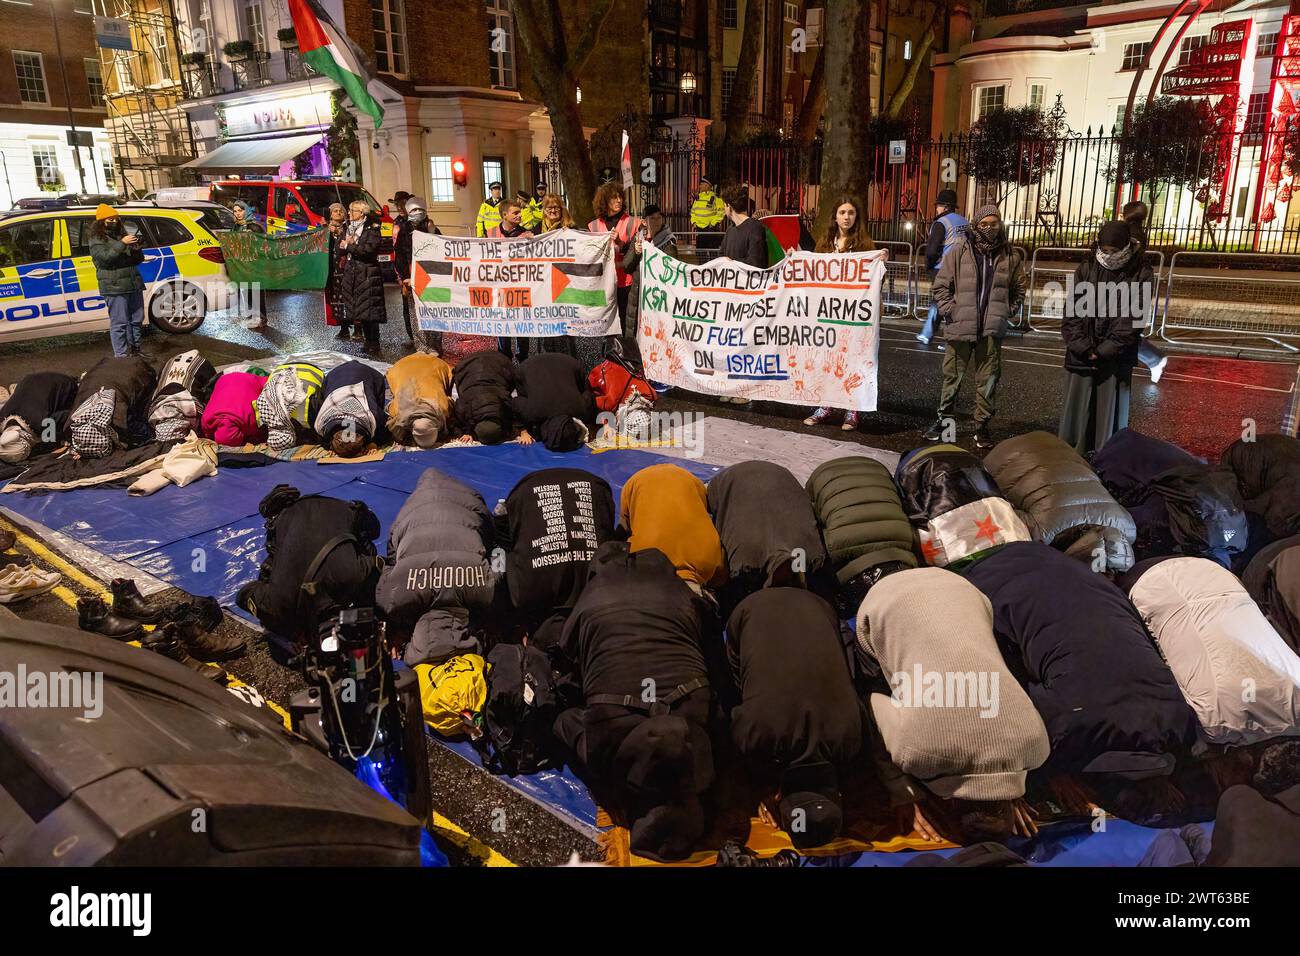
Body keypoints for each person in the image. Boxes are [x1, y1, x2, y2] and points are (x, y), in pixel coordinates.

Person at [961, 543, 1200, 809]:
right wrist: (1048, 776)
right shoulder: (1065, 720)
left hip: (1067, 570)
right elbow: (1009, 706)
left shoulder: (1178, 719)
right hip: (988, 575)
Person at [856, 567, 1050, 844]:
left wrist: (1006, 793)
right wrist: (901, 790)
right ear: (952, 805)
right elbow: (873, 702)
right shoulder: (919, 755)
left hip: (964, 591)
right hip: (884, 600)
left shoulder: (1037, 747)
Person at [552, 540, 717, 862]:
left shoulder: (591, 596)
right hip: (677, 698)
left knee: (563, 718)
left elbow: (567, 658)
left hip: (673, 702)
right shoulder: (680, 590)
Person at [726, 588, 864, 849]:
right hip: (749, 610)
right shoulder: (755, 742)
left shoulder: (851, 741)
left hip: (817, 604)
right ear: (778, 796)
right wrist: (760, 787)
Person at [923, 204, 1027, 450]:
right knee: (952, 379)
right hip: (961, 326)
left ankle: (981, 427)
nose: (989, 228)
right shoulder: (960, 250)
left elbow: (1019, 289)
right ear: (975, 225)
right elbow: (941, 286)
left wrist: (1006, 311)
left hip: (990, 330)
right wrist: (951, 311)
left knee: (988, 380)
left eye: (994, 223)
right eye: (984, 224)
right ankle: (944, 422)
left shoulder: (1010, 255)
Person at [375, 468, 498, 666]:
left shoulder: (485, 590)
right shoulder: (394, 599)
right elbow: (390, 564)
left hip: (456, 502)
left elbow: (499, 555)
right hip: (462, 498)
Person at [1058, 221, 1152, 456]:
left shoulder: (1141, 272)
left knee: (1108, 418)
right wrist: (1083, 347)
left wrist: (1105, 350)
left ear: (1125, 246)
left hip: (1115, 358)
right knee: (1077, 416)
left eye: (1114, 251)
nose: (1108, 256)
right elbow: (1072, 312)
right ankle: (1074, 458)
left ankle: (1107, 460)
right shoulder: (1087, 268)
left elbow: (1133, 319)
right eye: (1105, 249)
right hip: (1082, 354)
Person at [805, 196, 876, 430]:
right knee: (826, 360)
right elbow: (812, 274)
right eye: (842, 212)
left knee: (853, 360)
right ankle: (825, 406)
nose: (847, 217)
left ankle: (851, 411)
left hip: (853, 315)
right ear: (835, 216)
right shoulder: (824, 244)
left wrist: (879, 263)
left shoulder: (865, 246)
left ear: (857, 217)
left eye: (851, 213)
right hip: (828, 313)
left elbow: (874, 279)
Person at [620, 462, 727, 592]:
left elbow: (624, 526)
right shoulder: (710, 550)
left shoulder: (638, 555)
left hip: (646, 580)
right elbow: (721, 578)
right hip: (691, 588)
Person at [621, 203, 677, 361]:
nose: (657, 221)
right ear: (644, 222)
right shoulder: (638, 239)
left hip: (656, 301)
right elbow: (626, 266)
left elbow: (671, 271)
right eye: (652, 218)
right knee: (636, 338)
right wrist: (636, 254)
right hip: (637, 298)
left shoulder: (668, 242)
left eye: (659, 217)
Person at [511, 351, 598, 451]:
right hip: (530, 368)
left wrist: (523, 431)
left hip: (566, 363)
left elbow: (588, 395)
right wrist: (523, 431)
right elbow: (515, 403)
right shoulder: (534, 412)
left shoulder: (579, 409)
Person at [89, 205, 146, 356]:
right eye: (110, 219)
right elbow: (104, 259)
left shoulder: (122, 235)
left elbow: (138, 260)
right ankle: (121, 356)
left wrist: (137, 249)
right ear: (101, 222)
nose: (114, 221)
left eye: (116, 218)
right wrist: (123, 244)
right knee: (119, 323)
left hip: (133, 283)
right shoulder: (96, 240)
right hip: (114, 286)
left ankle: (135, 350)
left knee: (137, 319)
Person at [1123, 200, 1168, 383]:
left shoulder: (1129, 233)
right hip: (1132, 285)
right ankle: (1154, 359)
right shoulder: (1138, 232)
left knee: (1123, 331)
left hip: (1128, 286)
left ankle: (1154, 359)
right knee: (1124, 329)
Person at [587, 182, 641, 326]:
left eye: (620, 197)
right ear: (604, 201)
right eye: (613, 197)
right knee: (605, 320)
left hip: (625, 281)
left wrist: (620, 241)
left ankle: (624, 347)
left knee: (624, 319)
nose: (618, 200)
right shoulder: (593, 226)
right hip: (603, 281)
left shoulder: (632, 223)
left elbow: (636, 251)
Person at [918, 188, 967, 346]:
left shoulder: (941, 223)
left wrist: (929, 268)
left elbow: (931, 250)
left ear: (945, 206)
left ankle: (947, 339)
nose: (936, 208)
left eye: (938, 205)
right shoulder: (964, 222)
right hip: (965, 269)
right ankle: (929, 333)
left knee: (943, 303)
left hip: (944, 269)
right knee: (948, 303)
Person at [336, 200, 387, 350]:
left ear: (362, 213)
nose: (349, 214)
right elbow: (340, 249)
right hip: (352, 272)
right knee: (360, 308)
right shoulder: (347, 227)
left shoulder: (372, 228)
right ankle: (366, 340)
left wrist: (350, 246)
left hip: (367, 273)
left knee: (370, 308)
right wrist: (343, 241)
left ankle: (374, 341)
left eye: (352, 211)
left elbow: (368, 250)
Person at [312, 360, 389, 458]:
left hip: (368, 374)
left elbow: (385, 429)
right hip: (334, 376)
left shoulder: (373, 414)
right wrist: (331, 447)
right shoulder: (321, 425)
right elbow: (323, 439)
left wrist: (374, 442)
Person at [0, 372, 79, 465]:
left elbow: (69, 415)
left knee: (51, 439)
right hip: (29, 379)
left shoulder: (44, 424)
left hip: (64, 382)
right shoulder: (2, 418)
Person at [396, 196, 441, 350]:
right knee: (415, 313)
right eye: (414, 210)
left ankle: (435, 346)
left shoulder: (431, 226)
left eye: (420, 209)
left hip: (430, 277)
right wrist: (404, 277)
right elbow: (399, 255)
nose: (417, 212)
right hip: (412, 277)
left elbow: (442, 249)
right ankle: (421, 345)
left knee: (433, 311)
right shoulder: (404, 231)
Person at [385, 352, 452, 448]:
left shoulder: (443, 408)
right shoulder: (398, 410)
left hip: (430, 364)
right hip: (404, 366)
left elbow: (450, 401)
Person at [450, 349, 517, 444]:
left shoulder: (505, 405)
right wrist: (466, 432)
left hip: (497, 363)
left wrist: (467, 432)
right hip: (468, 366)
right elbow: (455, 421)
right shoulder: (465, 408)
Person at [230, 199, 270, 330]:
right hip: (242, 265)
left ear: (245, 210)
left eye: (240, 211)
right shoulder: (236, 226)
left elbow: (264, 244)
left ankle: (261, 318)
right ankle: (252, 316)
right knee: (246, 291)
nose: (238, 214)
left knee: (256, 290)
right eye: (235, 211)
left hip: (255, 265)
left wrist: (251, 239)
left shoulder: (254, 226)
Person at [200, 370, 268, 446]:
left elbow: (259, 434)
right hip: (225, 379)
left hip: (251, 381)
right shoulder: (205, 421)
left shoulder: (251, 420)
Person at [716, 182, 769, 270]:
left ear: (729, 206)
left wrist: (731, 263)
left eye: (724, 206)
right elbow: (721, 256)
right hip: (730, 281)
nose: (723, 210)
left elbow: (756, 262)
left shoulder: (755, 228)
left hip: (747, 282)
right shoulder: (730, 229)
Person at [324, 202, 354, 341]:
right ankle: (343, 328)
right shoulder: (325, 230)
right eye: (335, 211)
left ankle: (357, 328)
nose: (338, 213)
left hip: (347, 268)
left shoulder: (349, 228)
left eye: (340, 210)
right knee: (337, 298)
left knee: (350, 297)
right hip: (332, 268)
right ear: (330, 214)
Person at [689, 176, 726, 251]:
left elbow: (721, 212)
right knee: (700, 252)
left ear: (707, 185)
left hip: (710, 229)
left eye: (701, 184)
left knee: (713, 252)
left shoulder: (715, 198)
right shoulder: (698, 198)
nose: (700, 186)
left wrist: (713, 223)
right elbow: (693, 211)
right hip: (699, 229)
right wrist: (694, 222)